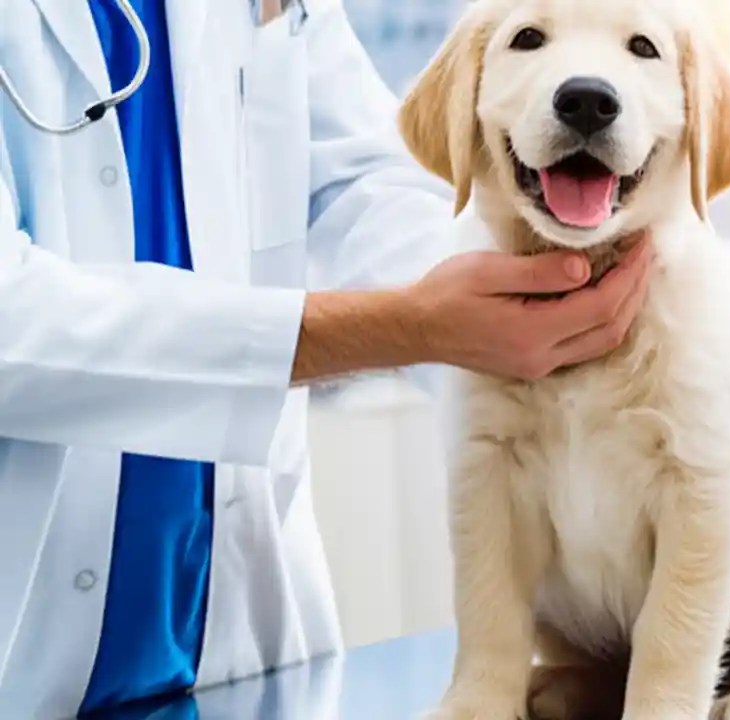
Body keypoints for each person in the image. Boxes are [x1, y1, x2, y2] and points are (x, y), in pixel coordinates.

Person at [0, 0, 653, 716]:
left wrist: (520, 300)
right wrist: (407, 327)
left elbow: (365, 178)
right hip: (24, 654)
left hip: (238, 657)